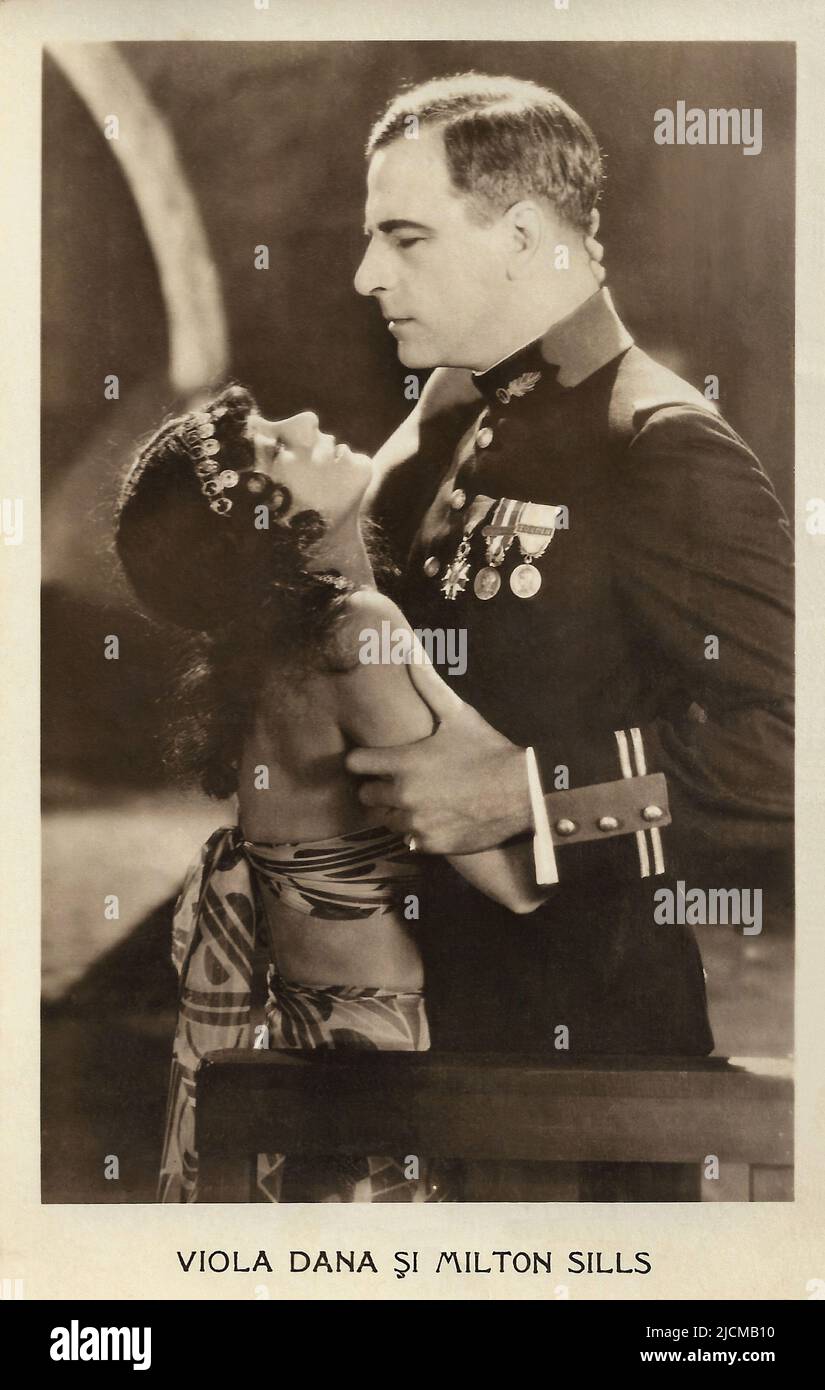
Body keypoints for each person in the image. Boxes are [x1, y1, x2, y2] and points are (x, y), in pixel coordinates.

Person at [346, 74, 794, 1065]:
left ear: (518, 237)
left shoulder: (665, 443)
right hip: (402, 1018)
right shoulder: (449, 413)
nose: (368, 274)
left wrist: (534, 794)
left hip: (590, 1040)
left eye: (406, 237)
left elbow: (790, 743)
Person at [114, 382, 548, 1203]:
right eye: (276, 445)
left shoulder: (291, 648)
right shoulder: (357, 633)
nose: (308, 419)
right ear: (271, 530)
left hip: (318, 1029)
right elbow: (513, 885)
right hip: (382, 1048)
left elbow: (398, 451)